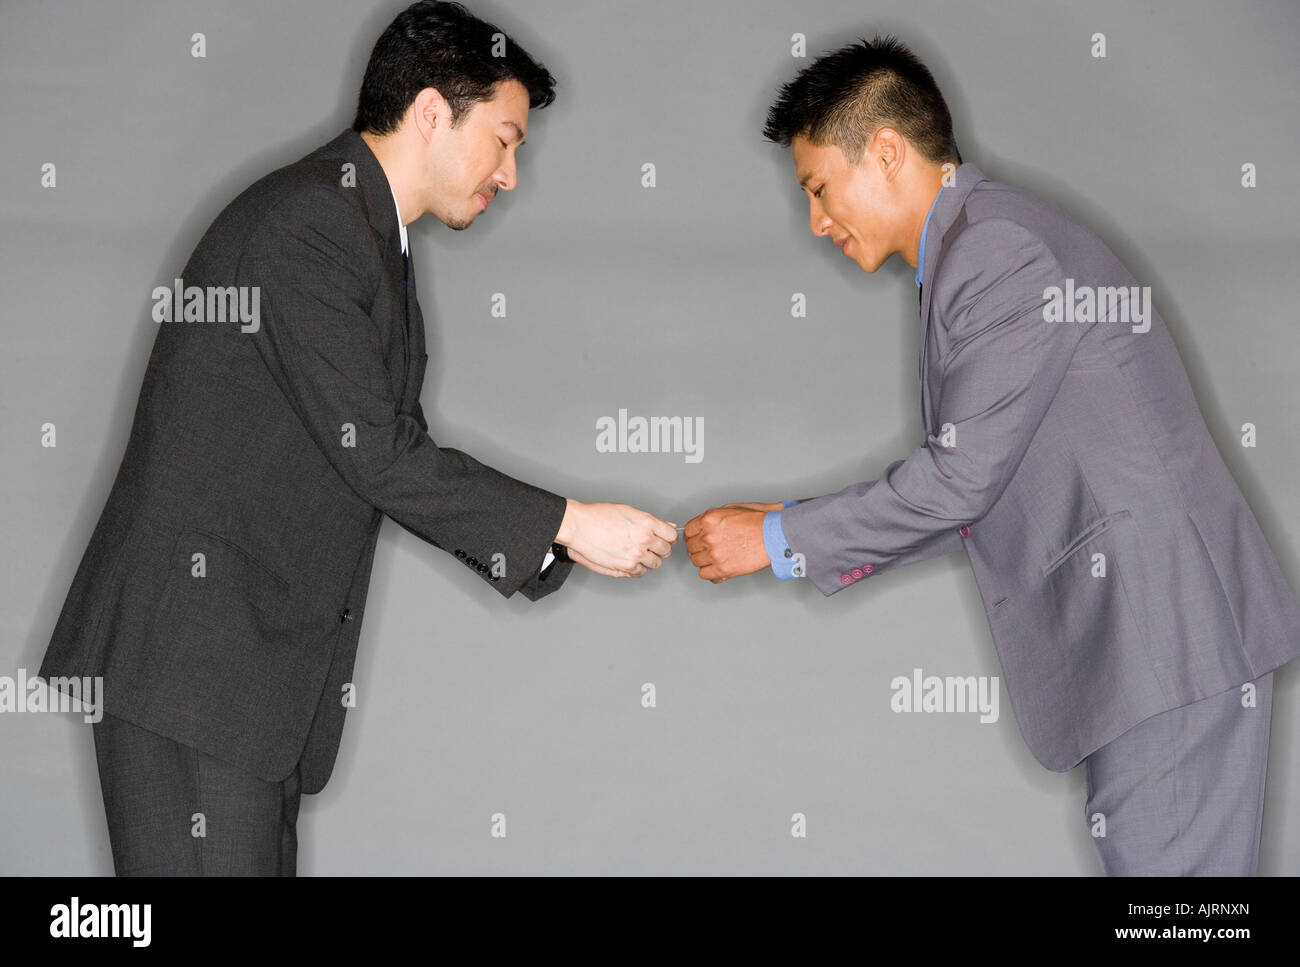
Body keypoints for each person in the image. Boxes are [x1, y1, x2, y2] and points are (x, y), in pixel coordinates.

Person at [39, 0, 676, 876]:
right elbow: (379, 451)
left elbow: (378, 449)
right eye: (504, 138)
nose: (512, 173)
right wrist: (567, 521)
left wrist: (554, 540)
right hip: (193, 669)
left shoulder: (364, 234)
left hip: (230, 680)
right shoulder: (313, 227)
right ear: (427, 114)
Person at [684, 35, 1300, 875]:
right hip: (1159, 645)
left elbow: (960, 481)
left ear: (888, 153)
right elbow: (983, 482)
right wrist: (788, 531)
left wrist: (782, 538)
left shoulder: (995, 253)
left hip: (1165, 637)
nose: (817, 222)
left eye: (820, 189)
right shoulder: (982, 244)